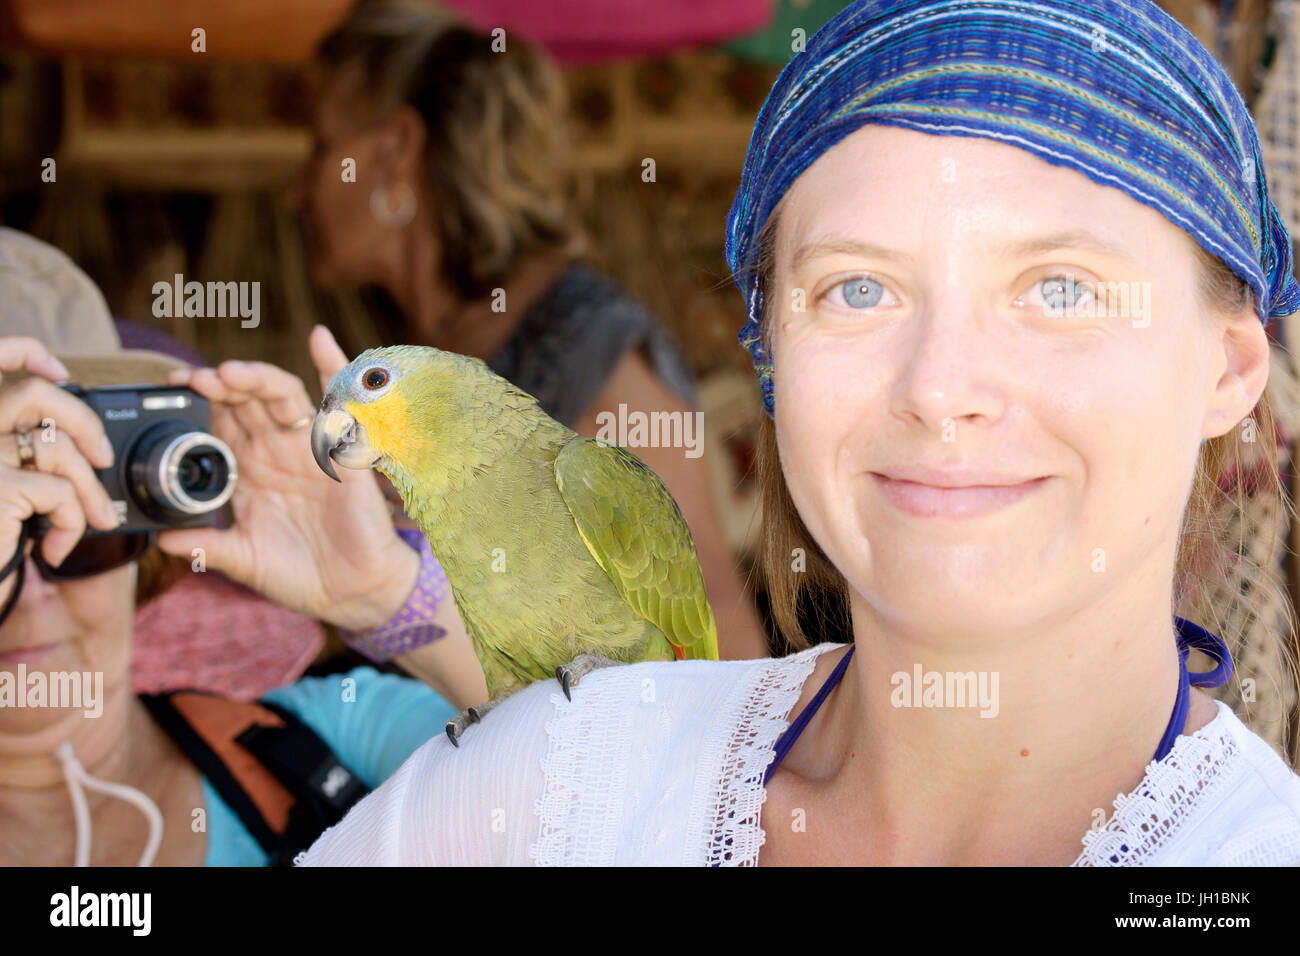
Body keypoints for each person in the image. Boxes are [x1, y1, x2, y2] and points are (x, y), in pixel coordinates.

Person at [295, 0, 1300, 866]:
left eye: (1061, 287)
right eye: (856, 288)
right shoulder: (557, 780)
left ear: (1229, 369)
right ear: (769, 352)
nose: (940, 386)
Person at [290, 0, 770, 666]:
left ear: (397, 152)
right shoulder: (418, 356)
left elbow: (710, 618)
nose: (297, 190)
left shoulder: (586, 344)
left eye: (320, 145)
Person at [0, 229, 460, 865]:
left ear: (143, 538)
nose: (28, 591)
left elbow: (618, 792)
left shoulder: (330, 745)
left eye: (75, 520)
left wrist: (389, 596)